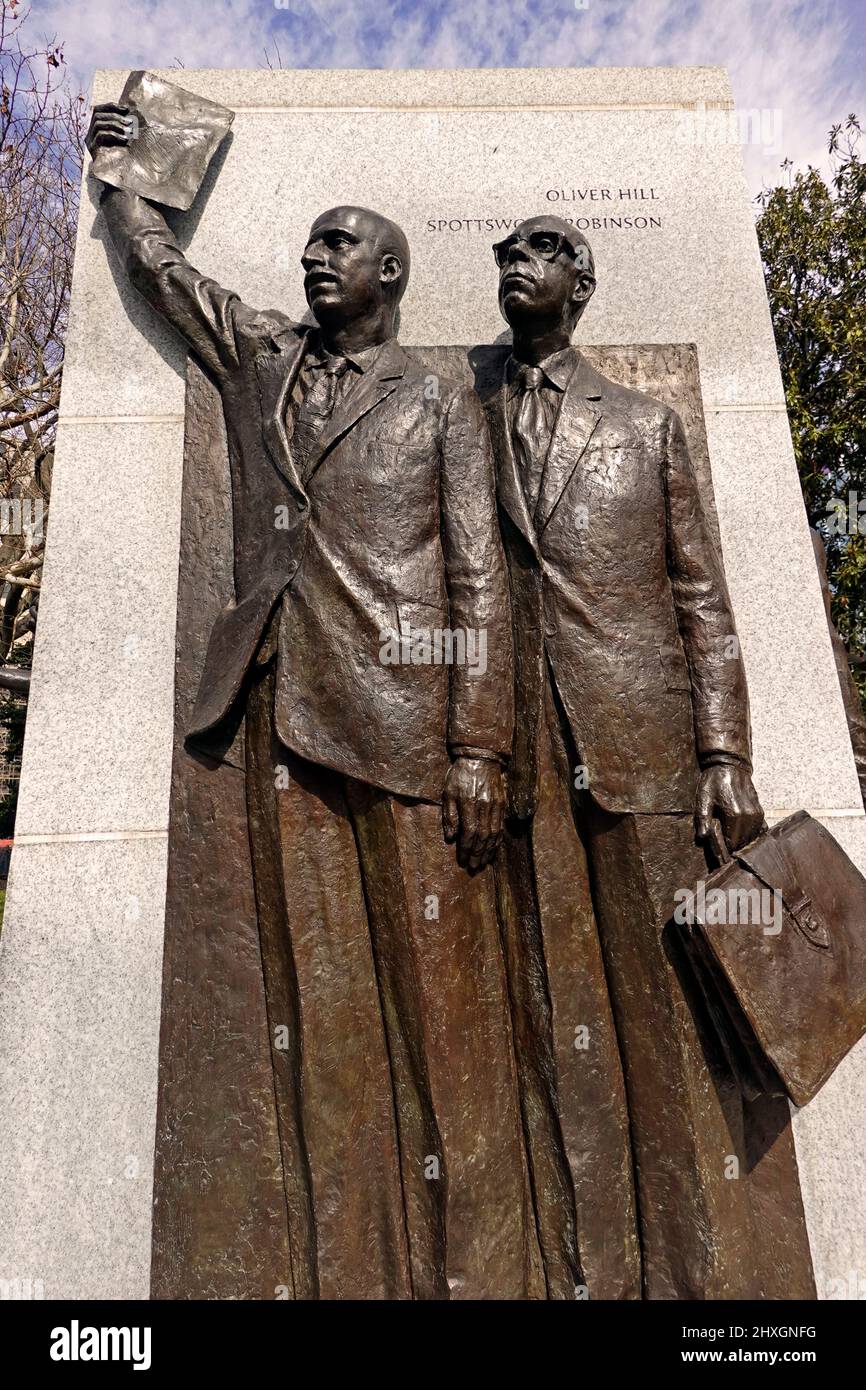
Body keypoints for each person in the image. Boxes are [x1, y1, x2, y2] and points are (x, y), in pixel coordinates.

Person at [86, 100, 544, 1301]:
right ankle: (356, 1278)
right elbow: (160, 265)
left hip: (409, 737)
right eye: (306, 243)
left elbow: (476, 575)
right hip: (282, 718)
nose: (312, 255)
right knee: (328, 1039)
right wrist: (132, 161)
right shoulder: (263, 357)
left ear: (389, 270)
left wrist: (478, 745)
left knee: (447, 1036)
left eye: (337, 241)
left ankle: (484, 1280)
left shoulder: (439, 394)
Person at [474, 214, 815, 1299]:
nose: (511, 264)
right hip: (520, 768)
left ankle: (701, 1282)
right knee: (557, 1026)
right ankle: (592, 1275)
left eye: (536, 249)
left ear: (580, 280)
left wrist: (723, 752)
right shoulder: (456, 417)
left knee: (675, 1022)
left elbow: (700, 598)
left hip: (645, 754)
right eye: (502, 254)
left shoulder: (645, 426)